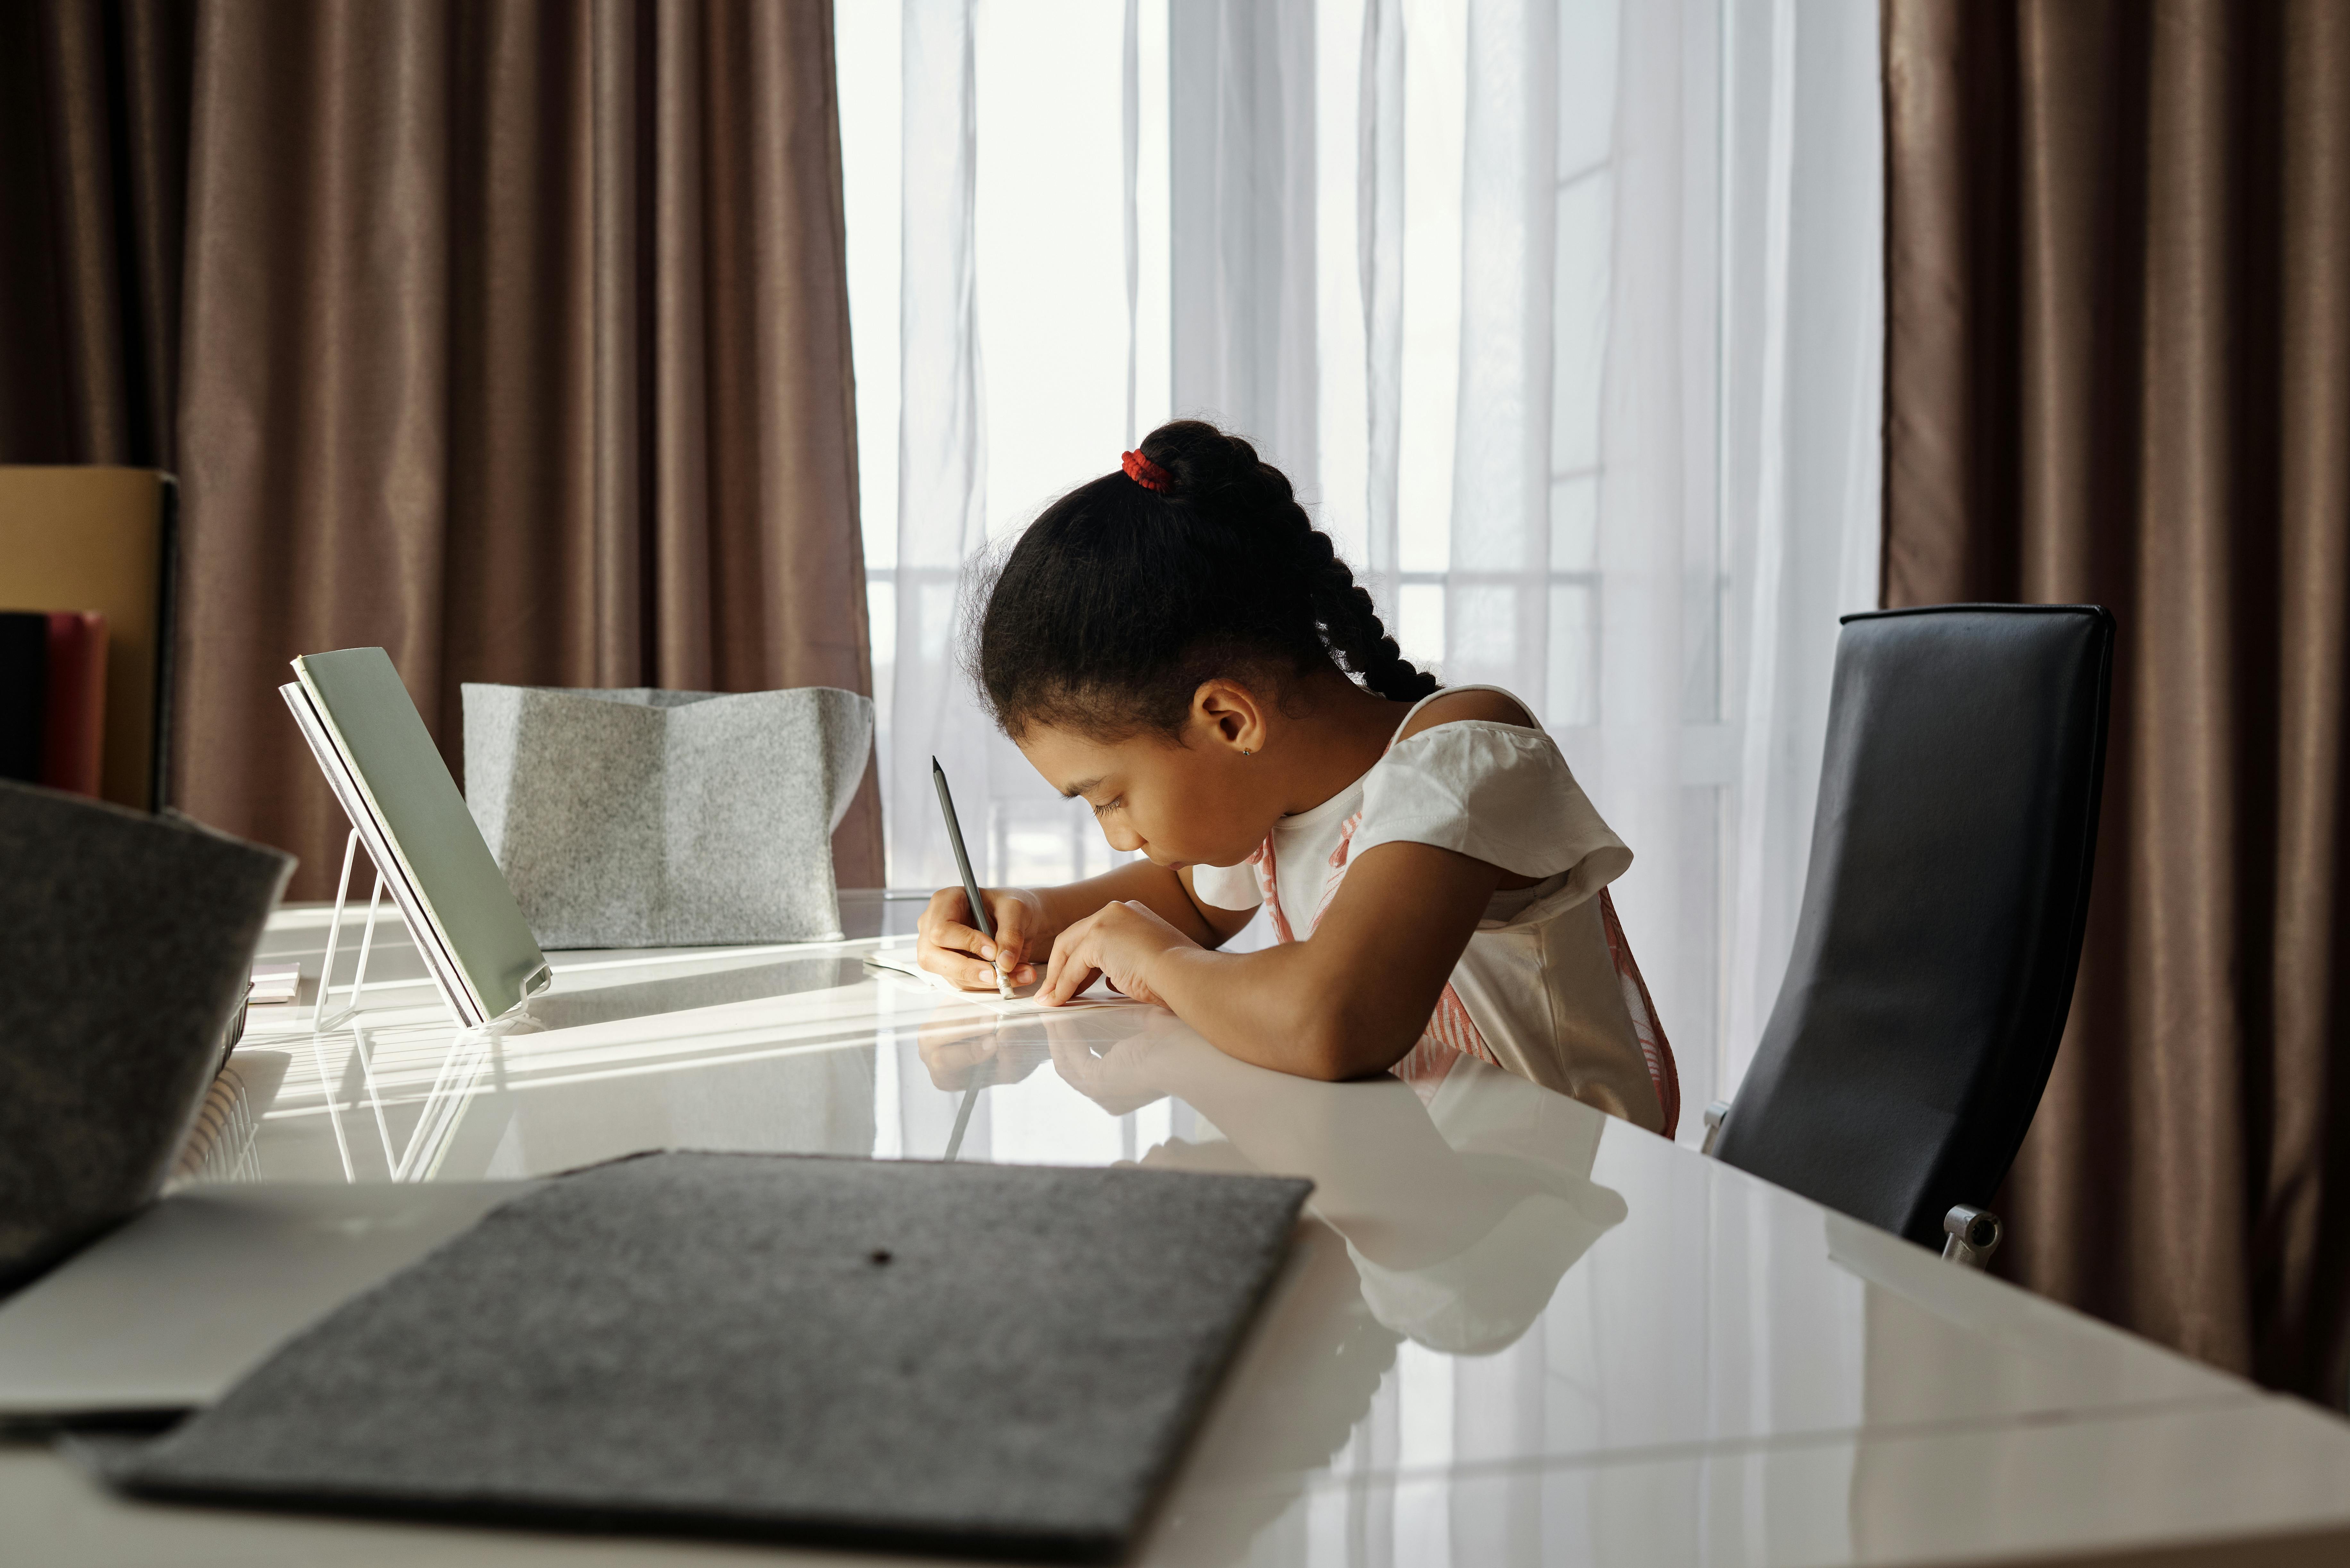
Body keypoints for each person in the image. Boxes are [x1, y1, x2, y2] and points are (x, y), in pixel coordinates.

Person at [915, 419, 1678, 1134]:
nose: (1117, 834)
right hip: (1420, 1193)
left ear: (1228, 720)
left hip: (1558, 1217)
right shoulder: (1271, 801)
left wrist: (1153, 959)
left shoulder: (1462, 757)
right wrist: (1027, 916)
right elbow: (1189, 902)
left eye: (1109, 798)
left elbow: (1331, 1019)